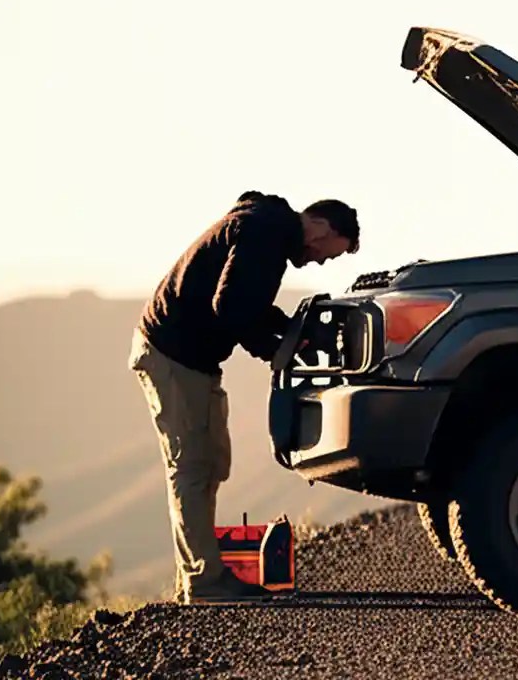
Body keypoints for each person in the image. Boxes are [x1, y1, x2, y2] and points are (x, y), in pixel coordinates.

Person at [128, 190, 359, 603]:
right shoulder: (264, 233)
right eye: (328, 253)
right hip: (171, 355)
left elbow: (244, 302)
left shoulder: (267, 232)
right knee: (192, 466)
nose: (321, 260)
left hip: (193, 360)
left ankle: (202, 576)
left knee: (212, 461)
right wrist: (273, 352)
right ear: (321, 227)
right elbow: (230, 307)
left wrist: (291, 332)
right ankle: (203, 583)